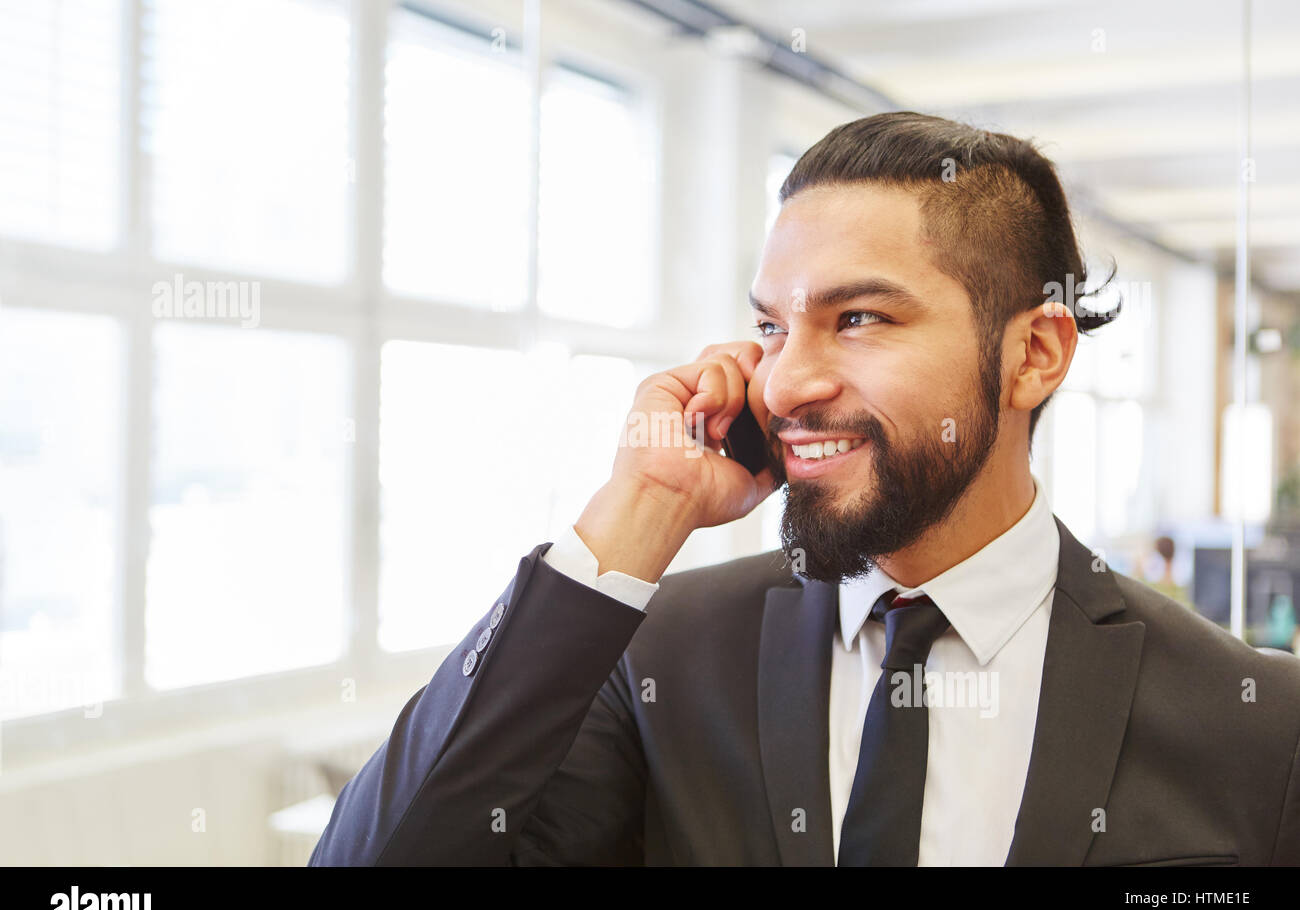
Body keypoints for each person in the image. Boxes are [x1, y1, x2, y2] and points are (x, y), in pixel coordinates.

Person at [309, 111, 1300, 866]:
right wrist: (642, 504)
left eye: (859, 318)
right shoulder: (660, 660)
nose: (782, 381)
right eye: (773, 326)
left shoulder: (1256, 721)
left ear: (1034, 353)